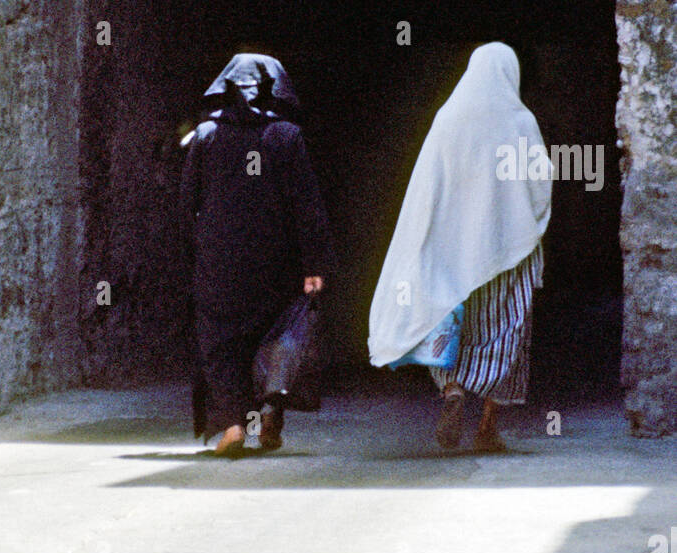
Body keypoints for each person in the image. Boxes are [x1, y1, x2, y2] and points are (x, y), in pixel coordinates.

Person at [368, 42, 552, 452]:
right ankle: (487, 426)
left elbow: (426, 187)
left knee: (444, 320)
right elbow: (540, 187)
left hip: (452, 251)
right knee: (507, 332)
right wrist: (525, 225)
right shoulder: (520, 122)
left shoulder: (448, 119)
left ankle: (451, 389)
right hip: (507, 253)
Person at [181, 53, 334, 457]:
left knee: (221, 341)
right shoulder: (286, 136)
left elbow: (187, 203)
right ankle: (269, 411)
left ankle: (232, 425)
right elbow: (307, 204)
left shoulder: (206, 135)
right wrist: (314, 263)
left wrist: (198, 251)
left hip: (220, 260)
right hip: (276, 261)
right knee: (274, 337)